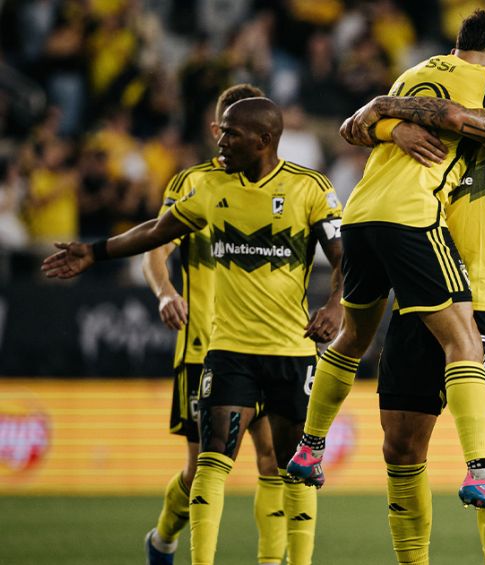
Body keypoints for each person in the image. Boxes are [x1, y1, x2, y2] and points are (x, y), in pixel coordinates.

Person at [42, 97, 345, 565]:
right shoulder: (205, 188)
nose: (219, 140)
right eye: (220, 130)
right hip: (224, 350)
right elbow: (156, 233)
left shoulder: (309, 188)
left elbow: (347, 257)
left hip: (292, 351)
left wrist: (335, 305)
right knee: (208, 465)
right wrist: (95, 251)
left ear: (264, 140)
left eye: (230, 133)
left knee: (290, 469)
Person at [285, 10, 485, 524]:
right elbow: (450, 119)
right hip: (413, 222)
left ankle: (309, 446)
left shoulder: (413, 73)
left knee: (353, 338)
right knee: (464, 344)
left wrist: (387, 114)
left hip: (360, 214)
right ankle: (483, 475)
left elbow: (353, 127)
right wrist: (393, 119)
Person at [346, 47, 485, 565]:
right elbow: (363, 126)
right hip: (420, 290)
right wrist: (390, 127)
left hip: (484, 297)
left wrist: (388, 108)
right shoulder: (467, 93)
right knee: (399, 448)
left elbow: (458, 117)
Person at [140, 84, 291, 565]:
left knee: (273, 461)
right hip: (203, 346)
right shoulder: (193, 184)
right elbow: (156, 251)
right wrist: (166, 292)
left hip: (265, 346)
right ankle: (164, 537)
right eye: (227, 128)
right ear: (216, 130)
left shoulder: (284, 186)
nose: (231, 138)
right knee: (199, 470)